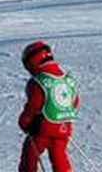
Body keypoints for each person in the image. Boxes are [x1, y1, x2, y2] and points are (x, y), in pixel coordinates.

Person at [18, 41, 79, 172]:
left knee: (30, 155)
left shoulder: (39, 81)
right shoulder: (66, 80)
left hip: (41, 128)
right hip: (63, 127)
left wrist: (25, 122)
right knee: (59, 155)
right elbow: (74, 101)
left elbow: (33, 106)